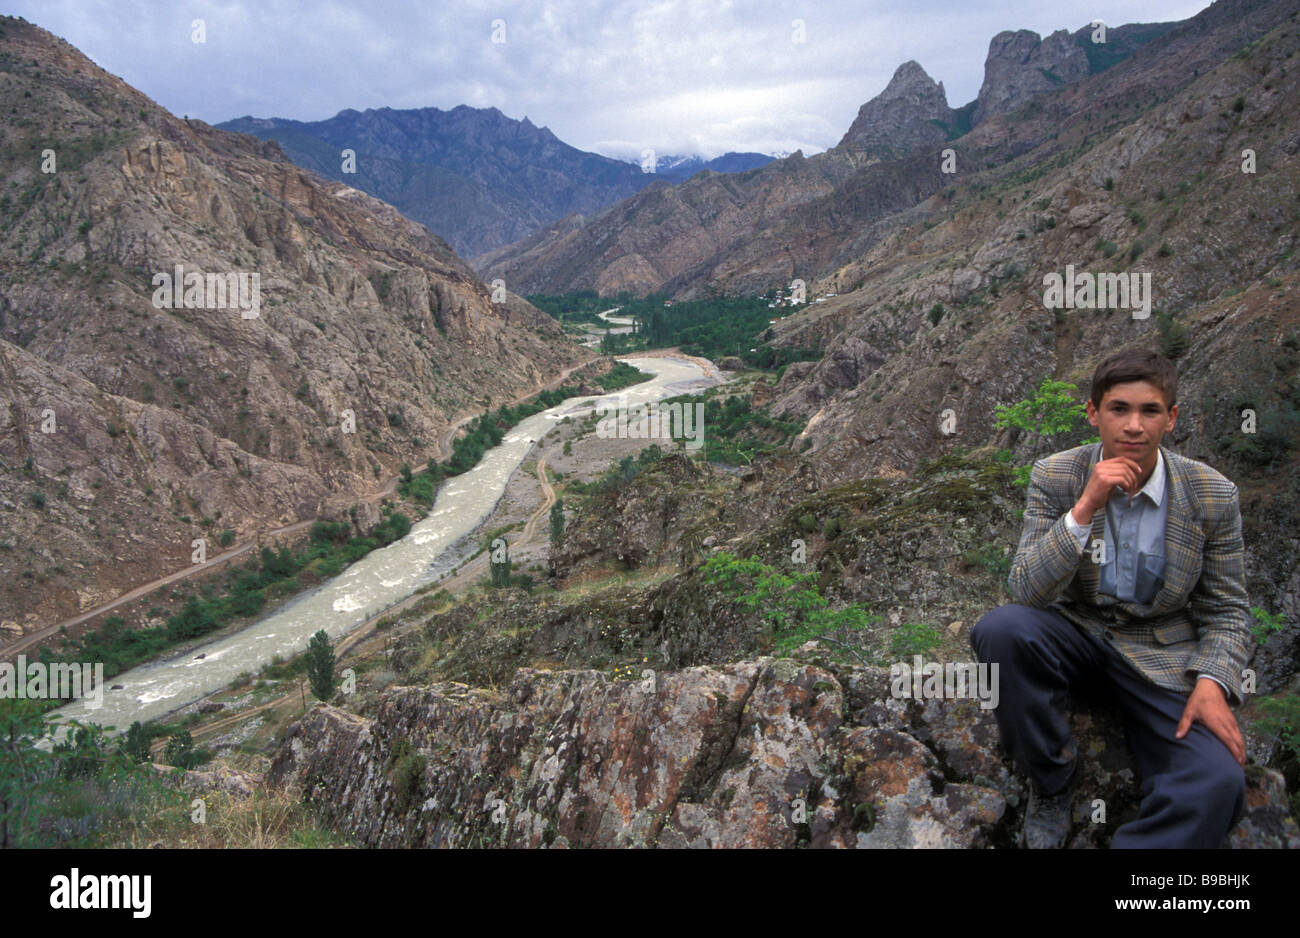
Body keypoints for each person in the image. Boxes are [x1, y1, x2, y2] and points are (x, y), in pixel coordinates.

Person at [970, 348, 1250, 848]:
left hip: (1160, 656)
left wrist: (1213, 681)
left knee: (1219, 779)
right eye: (1119, 409)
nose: (1134, 426)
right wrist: (1084, 509)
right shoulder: (1056, 476)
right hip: (1073, 634)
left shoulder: (1212, 494)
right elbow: (1026, 589)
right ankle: (1052, 781)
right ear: (1094, 414)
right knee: (1001, 630)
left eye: (1150, 411)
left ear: (1172, 418)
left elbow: (1226, 608)